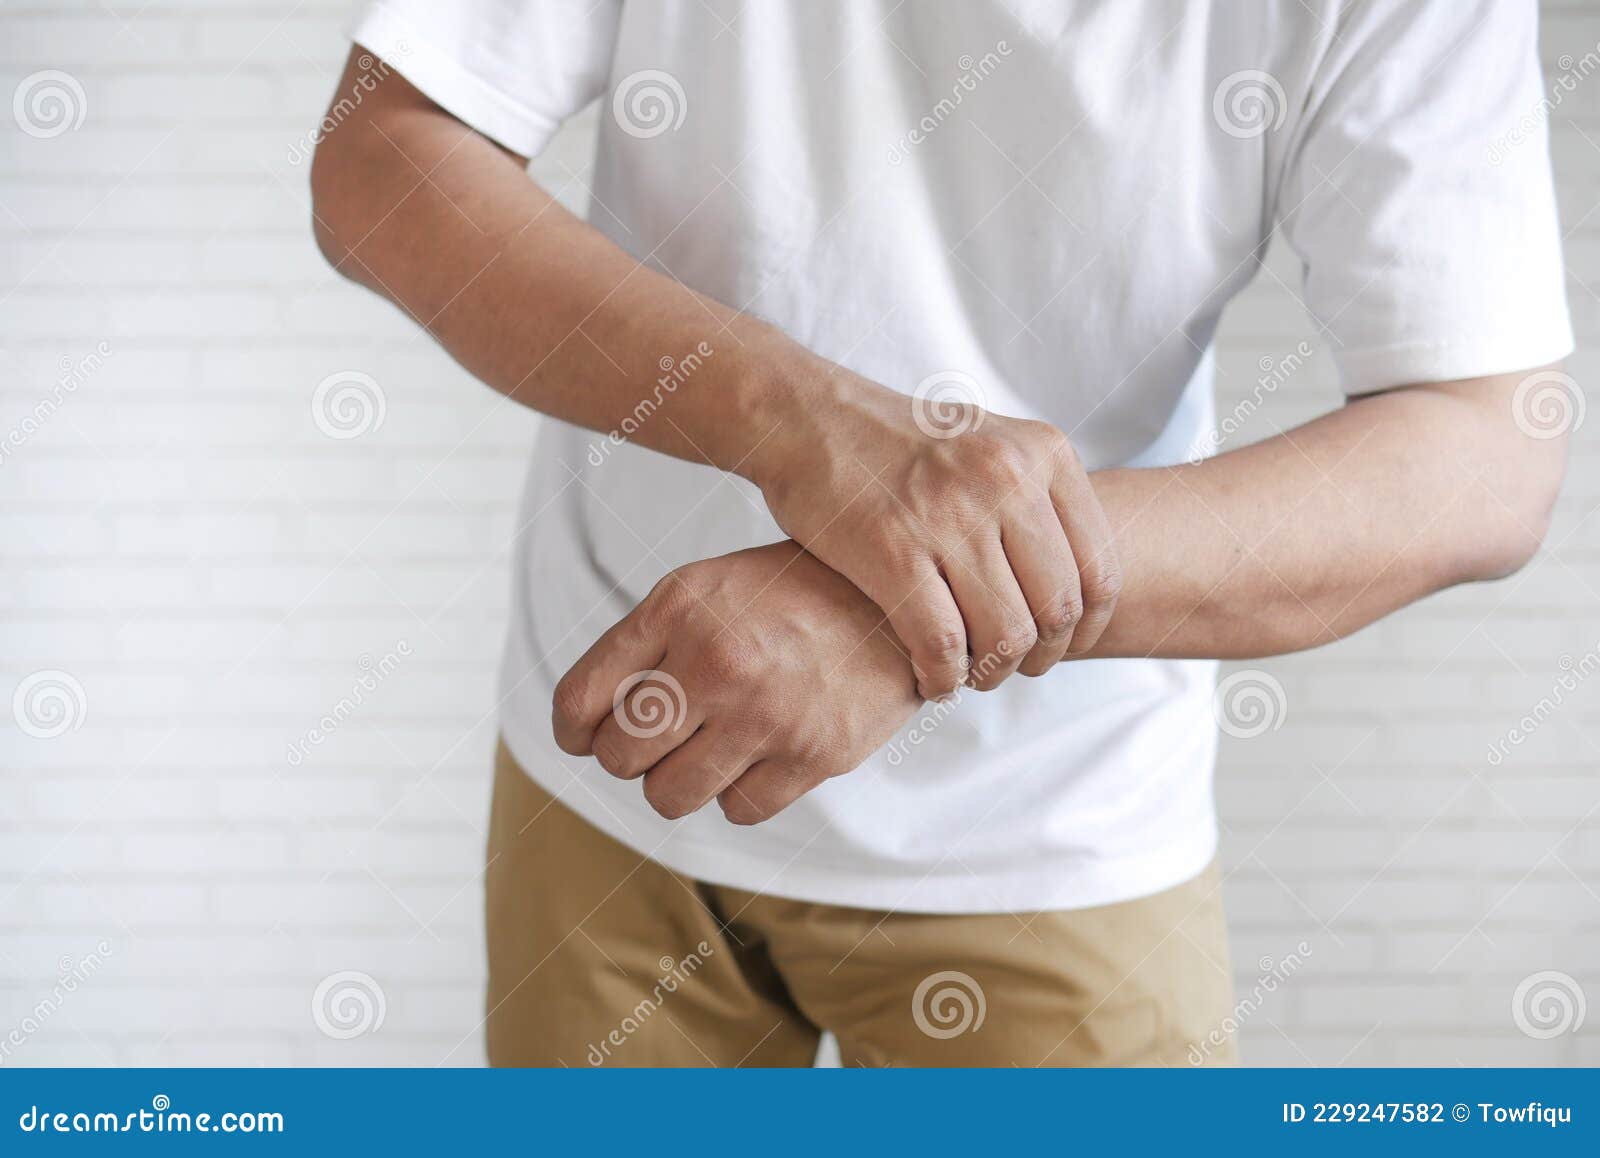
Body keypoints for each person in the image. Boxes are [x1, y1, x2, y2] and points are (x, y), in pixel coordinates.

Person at [310, 0, 1572, 1066]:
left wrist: (899, 610)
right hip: (613, 764)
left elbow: (1484, 451)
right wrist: (806, 430)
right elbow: (385, 157)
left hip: (1048, 840)